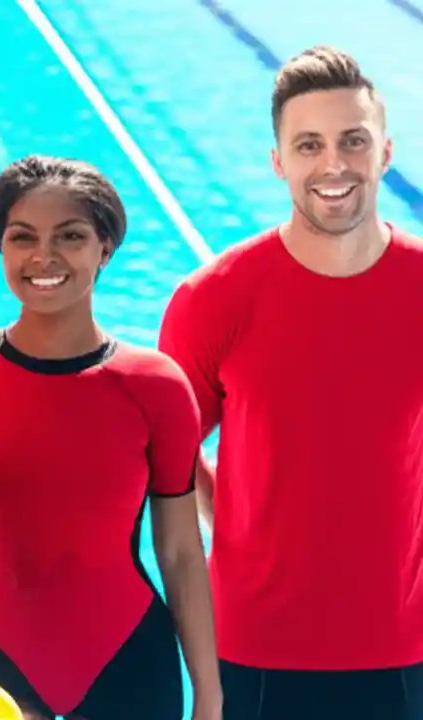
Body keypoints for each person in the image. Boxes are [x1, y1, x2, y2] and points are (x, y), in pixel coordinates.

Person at [158, 46, 423, 720]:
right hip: (255, 650)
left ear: (386, 153)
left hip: (405, 646)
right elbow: (166, 451)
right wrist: (230, 516)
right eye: (310, 145)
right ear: (279, 161)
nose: (334, 165)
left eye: (353, 141)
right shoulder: (214, 299)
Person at [0, 155, 220, 720]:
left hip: (126, 662)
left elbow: (180, 552)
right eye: (23, 237)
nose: (44, 256)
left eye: (71, 236)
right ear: (0, 247)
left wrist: (210, 692)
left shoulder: (154, 386)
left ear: (105, 248)